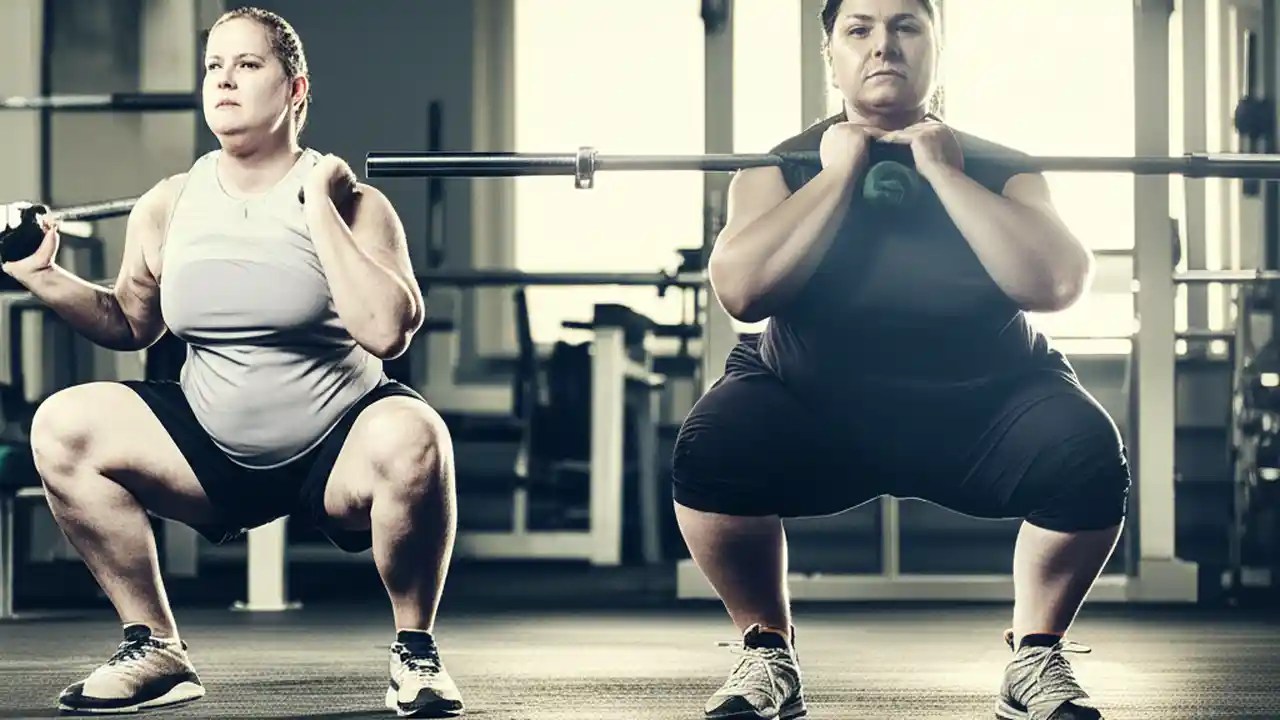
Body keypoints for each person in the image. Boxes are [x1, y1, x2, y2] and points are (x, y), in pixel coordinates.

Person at [0, 7, 463, 718]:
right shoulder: (169, 202)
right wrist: (41, 273)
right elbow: (130, 320)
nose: (225, 80)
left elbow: (388, 333)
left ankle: (416, 653)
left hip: (335, 447)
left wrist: (319, 216)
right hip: (209, 447)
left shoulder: (355, 203)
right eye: (214, 66)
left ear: (295, 89)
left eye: (248, 65)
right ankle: (154, 646)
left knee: (417, 434)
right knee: (62, 424)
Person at [671, 1, 1126, 719]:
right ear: (831, 54)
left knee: (1086, 449)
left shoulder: (1000, 167)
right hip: (815, 408)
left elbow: (1055, 285)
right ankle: (766, 651)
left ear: (936, 46)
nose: (883, 45)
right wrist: (836, 177)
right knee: (712, 444)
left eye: (906, 26)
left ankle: (1036, 654)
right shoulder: (780, 167)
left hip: (986, 411)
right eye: (859, 29)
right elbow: (742, 293)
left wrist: (945, 173)